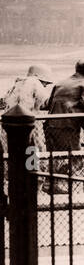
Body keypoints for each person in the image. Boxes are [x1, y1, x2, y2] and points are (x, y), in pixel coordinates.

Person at [43, 62, 84, 194]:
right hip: (67, 126)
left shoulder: (61, 83)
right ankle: (53, 182)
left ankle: (50, 183)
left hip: (50, 124)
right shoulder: (83, 84)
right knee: (78, 159)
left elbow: (48, 103)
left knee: (55, 157)